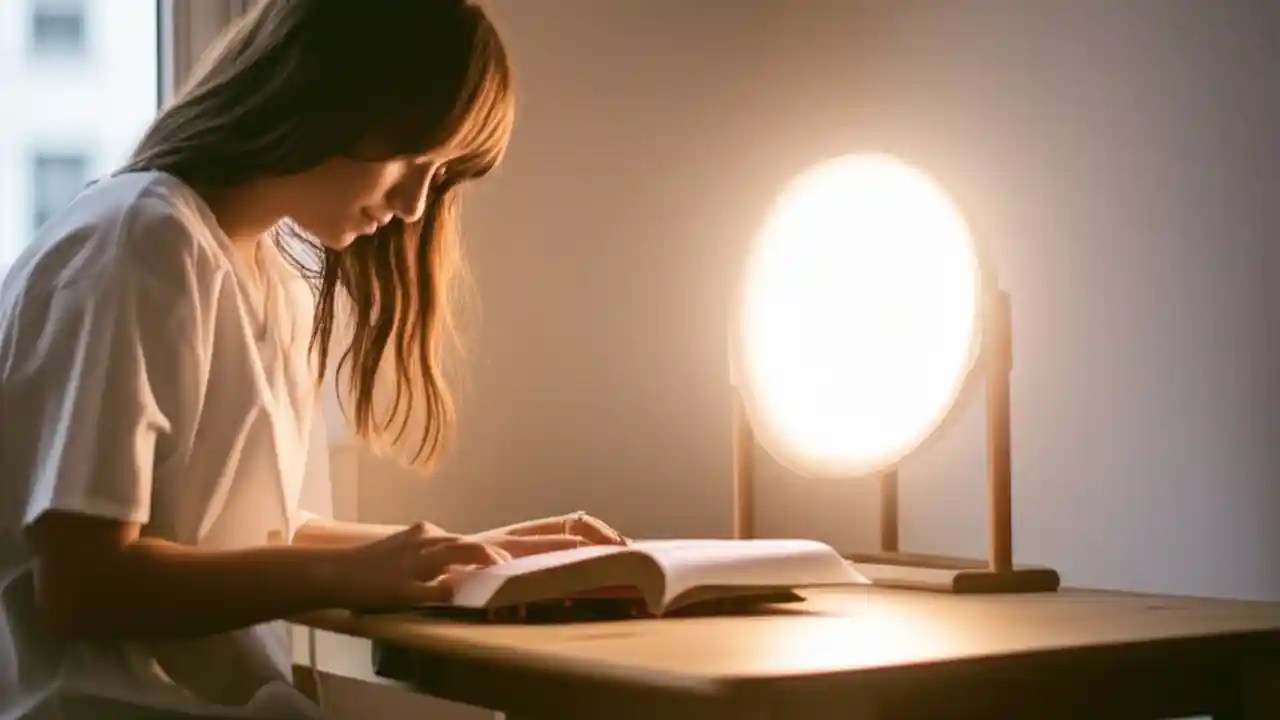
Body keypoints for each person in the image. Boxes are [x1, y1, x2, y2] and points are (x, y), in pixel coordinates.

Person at [0, 2, 625, 717]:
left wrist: (463, 559)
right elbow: (84, 584)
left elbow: (244, 533)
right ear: (329, 94)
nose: (417, 204)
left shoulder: (274, 279)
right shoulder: (141, 242)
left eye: (441, 172)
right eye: (412, 156)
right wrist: (346, 572)